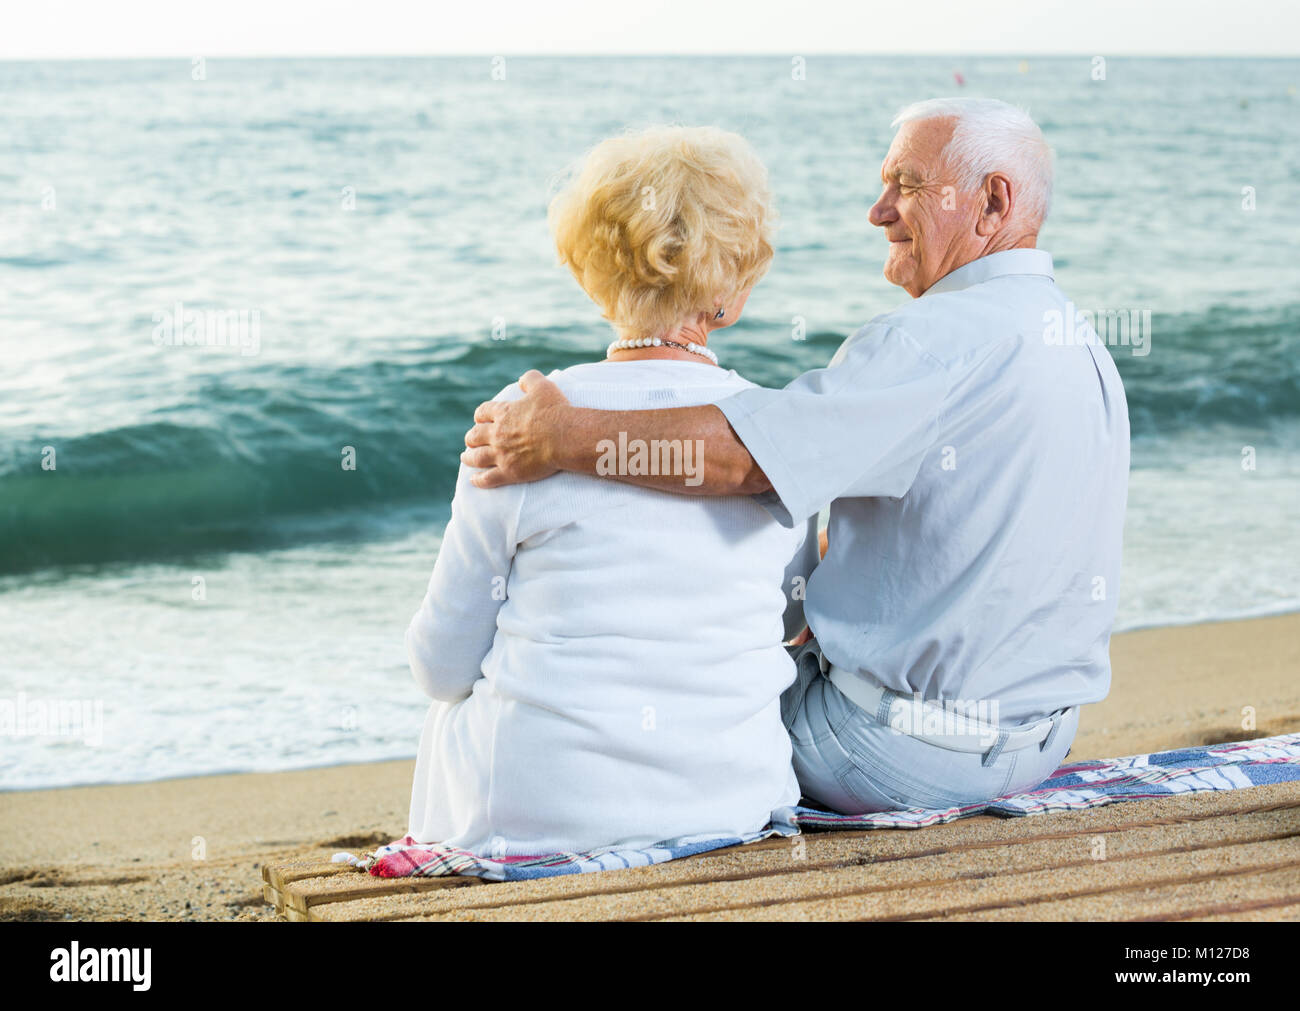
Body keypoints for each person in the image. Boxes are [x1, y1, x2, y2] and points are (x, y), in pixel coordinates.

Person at [461, 98, 1131, 814]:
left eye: (904, 185)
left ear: (992, 202)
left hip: (890, 752)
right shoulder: (1074, 337)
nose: (878, 212)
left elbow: (744, 460)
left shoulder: (932, 341)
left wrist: (559, 435)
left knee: (659, 729)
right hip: (1036, 741)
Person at [405, 125, 811, 856]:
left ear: (588, 269)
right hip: (731, 799)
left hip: (539, 813)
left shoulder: (522, 418)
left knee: (449, 709)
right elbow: (788, 615)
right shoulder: (773, 433)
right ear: (737, 289)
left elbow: (439, 663)